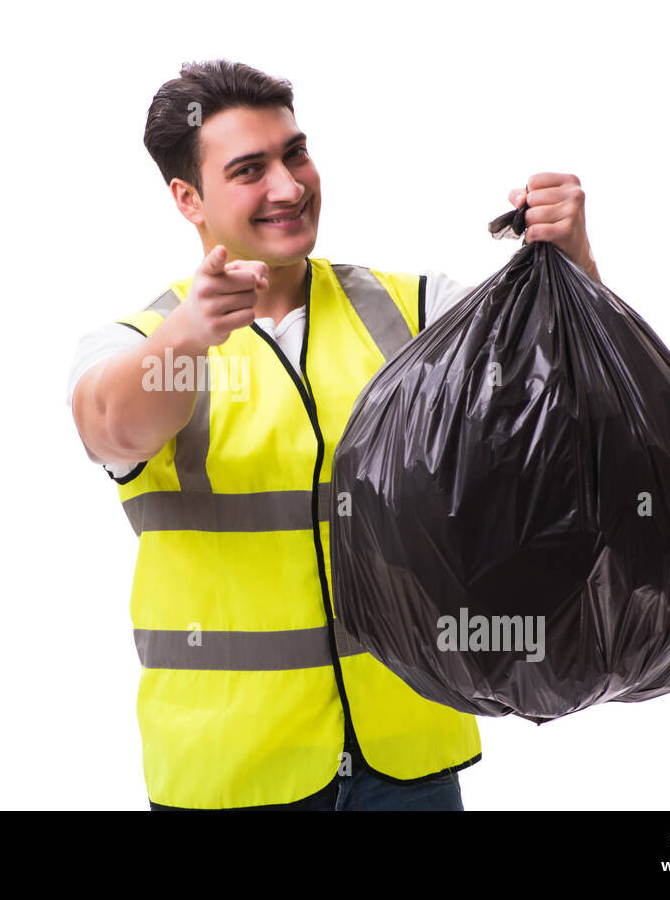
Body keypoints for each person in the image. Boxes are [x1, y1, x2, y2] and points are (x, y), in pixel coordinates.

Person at [66, 60, 600, 811]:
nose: (288, 186)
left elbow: (572, 387)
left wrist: (571, 261)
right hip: (234, 777)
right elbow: (108, 425)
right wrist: (189, 336)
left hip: (407, 766)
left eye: (295, 153)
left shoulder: (412, 309)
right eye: (250, 169)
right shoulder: (140, 340)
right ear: (188, 197)